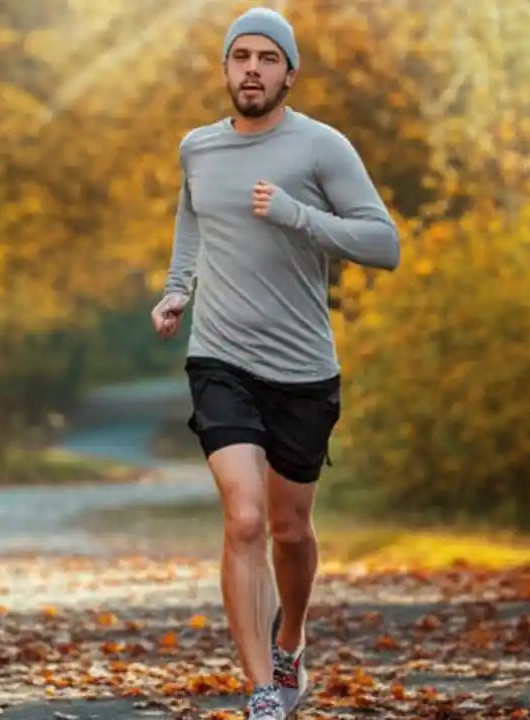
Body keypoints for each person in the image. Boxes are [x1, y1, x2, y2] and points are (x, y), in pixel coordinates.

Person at [150, 7, 401, 719]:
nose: (252, 69)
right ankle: (262, 691)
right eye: (241, 57)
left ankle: (290, 638)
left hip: (302, 369)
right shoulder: (198, 149)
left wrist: (297, 215)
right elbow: (192, 219)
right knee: (246, 519)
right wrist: (177, 291)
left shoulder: (322, 148)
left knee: (290, 530)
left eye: (267, 58)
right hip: (221, 358)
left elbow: (384, 245)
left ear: (289, 72)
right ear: (226, 68)